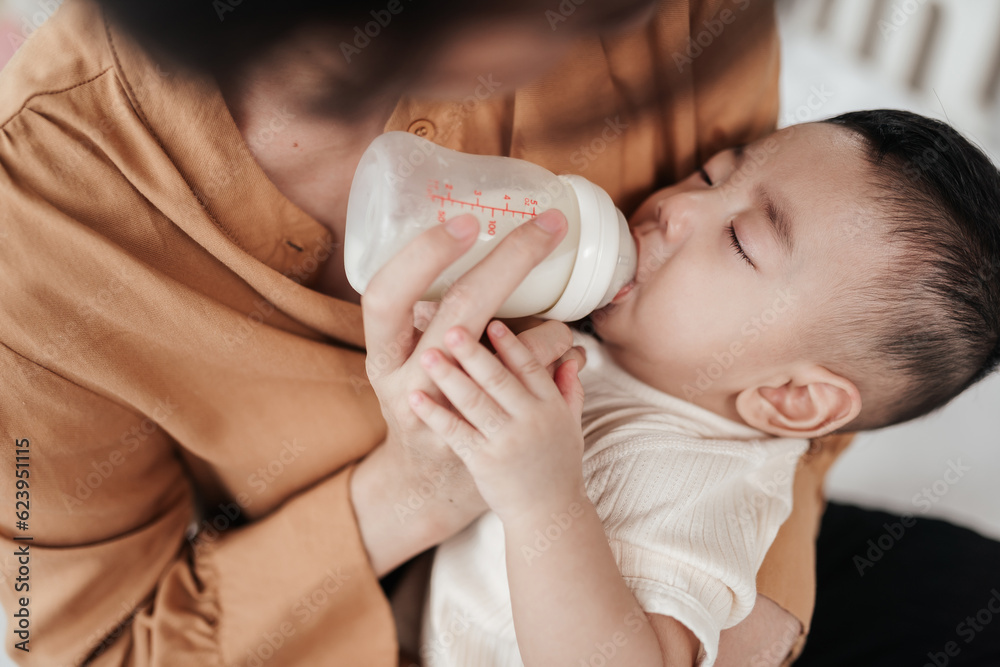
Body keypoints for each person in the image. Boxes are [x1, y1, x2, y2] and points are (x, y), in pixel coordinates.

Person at [0, 0, 848, 665]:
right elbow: (82, 643)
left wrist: (735, 612)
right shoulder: (44, 226)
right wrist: (413, 492)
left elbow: (827, 321)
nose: (675, 210)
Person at [408, 111, 1000, 666]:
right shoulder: (625, 362)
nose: (680, 207)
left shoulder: (699, 486)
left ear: (792, 396)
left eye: (741, 240)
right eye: (713, 174)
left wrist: (543, 501)